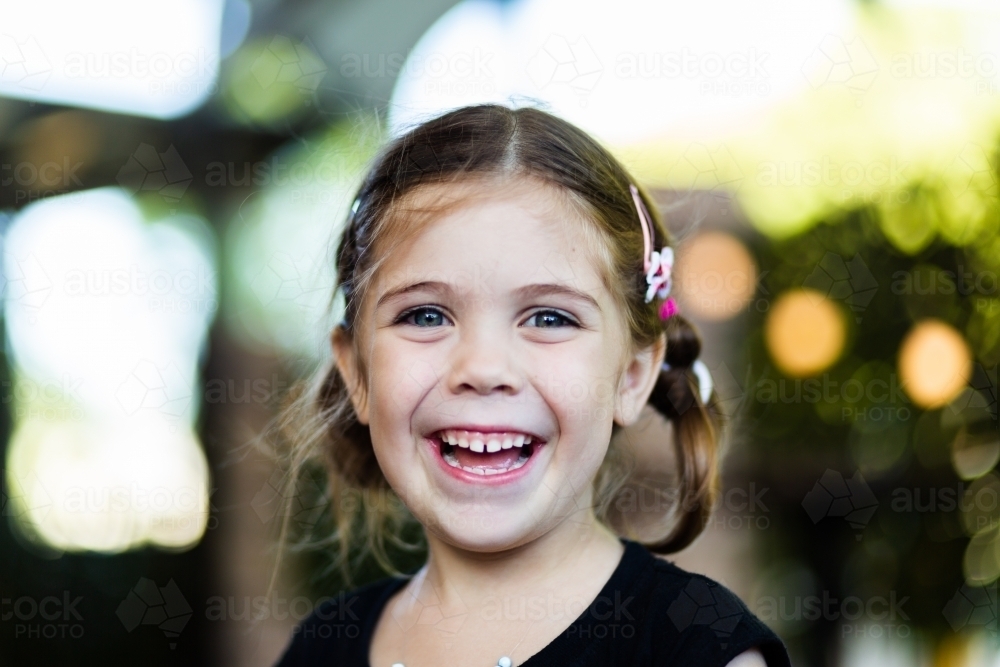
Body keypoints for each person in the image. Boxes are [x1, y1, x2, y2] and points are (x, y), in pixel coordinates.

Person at [271, 103, 791, 667]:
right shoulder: (322, 648)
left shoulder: (696, 648)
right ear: (357, 374)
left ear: (633, 374)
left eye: (549, 318)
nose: (484, 368)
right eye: (425, 316)